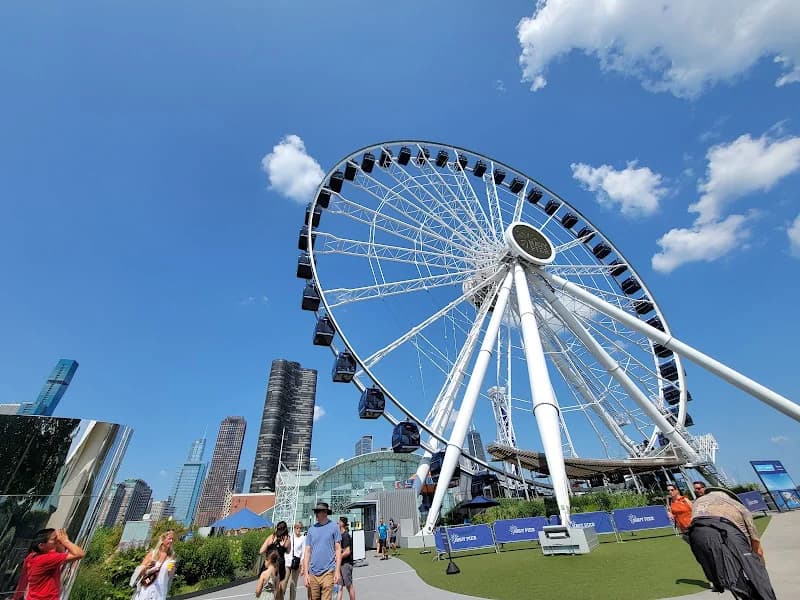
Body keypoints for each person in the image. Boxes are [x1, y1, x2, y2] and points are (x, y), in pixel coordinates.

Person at [688, 488, 776, 599]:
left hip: (696, 533)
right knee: (754, 571)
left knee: (731, 577)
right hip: (727, 529)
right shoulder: (738, 506)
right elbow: (755, 545)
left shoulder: (698, 502)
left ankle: (731, 587)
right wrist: (760, 568)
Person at [14, 528, 85, 600]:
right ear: (41, 545)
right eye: (54, 540)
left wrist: (16, 598)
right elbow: (79, 554)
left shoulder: (32, 557)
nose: (57, 541)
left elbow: (23, 579)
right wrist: (65, 541)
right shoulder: (48, 559)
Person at [303, 501, 341, 600]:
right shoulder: (311, 530)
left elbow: (338, 549)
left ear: (324, 513)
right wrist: (306, 574)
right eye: (316, 512)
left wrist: (337, 571)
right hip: (313, 572)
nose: (316, 514)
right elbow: (307, 552)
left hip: (328, 571)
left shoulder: (334, 527)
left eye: (318, 512)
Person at [132, 530, 177, 600]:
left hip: (160, 592)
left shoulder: (171, 557)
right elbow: (140, 571)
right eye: (169, 539)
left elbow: (169, 575)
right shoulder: (152, 554)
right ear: (163, 539)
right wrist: (147, 567)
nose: (171, 541)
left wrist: (172, 569)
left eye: (172, 539)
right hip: (147, 588)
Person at [260, 521, 291, 599]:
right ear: (285, 529)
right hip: (280, 566)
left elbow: (261, 551)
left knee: (267, 587)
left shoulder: (271, 537)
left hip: (270, 564)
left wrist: (269, 550)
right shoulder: (287, 539)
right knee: (278, 588)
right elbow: (288, 551)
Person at [285, 522, 306, 600]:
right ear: (294, 528)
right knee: (284, 582)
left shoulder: (303, 538)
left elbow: (303, 552)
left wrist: (302, 565)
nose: (299, 529)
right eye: (297, 527)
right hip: (287, 563)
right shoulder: (290, 536)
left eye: (300, 528)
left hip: (296, 563)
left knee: (293, 584)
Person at [337, 517, 355, 600]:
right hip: (340, 565)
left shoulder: (346, 535)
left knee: (348, 586)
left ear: (342, 524)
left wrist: (338, 557)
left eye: (339, 522)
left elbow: (347, 551)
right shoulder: (339, 536)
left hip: (346, 564)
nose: (337, 523)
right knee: (339, 587)